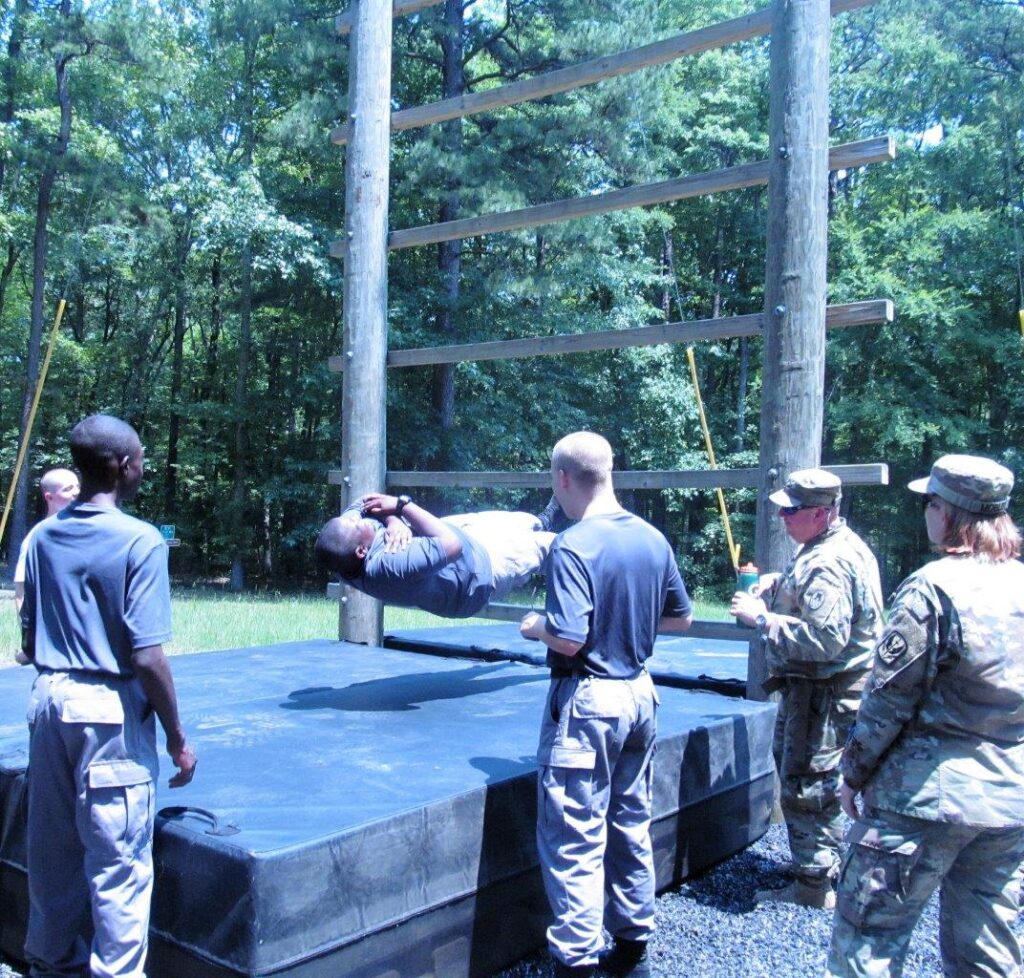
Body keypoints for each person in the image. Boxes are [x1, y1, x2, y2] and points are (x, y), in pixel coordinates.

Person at [826, 454, 1024, 978]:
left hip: (922, 799)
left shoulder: (933, 588)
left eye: (930, 503)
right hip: (1007, 802)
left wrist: (853, 771)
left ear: (950, 512)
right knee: (988, 950)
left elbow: (888, 699)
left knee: (868, 943)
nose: (926, 514)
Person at [20, 414, 197, 978]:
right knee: (118, 865)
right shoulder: (140, 541)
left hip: (47, 701)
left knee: (51, 854)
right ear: (123, 467)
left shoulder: (43, 536)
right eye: (141, 457)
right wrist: (176, 737)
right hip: (106, 712)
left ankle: (49, 965)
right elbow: (147, 655)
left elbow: (28, 632)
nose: (144, 465)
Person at [519, 432, 693, 978]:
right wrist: (632, 622)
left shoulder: (572, 545)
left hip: (590, 699)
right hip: (641, 694)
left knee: (575, 834)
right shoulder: (652, 539)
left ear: (563, 479)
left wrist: (534, 627)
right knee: (629, 820)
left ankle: (574, 961)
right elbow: (681, 618)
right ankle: (633, 945)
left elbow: (568, 637)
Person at [730, 468, 883, 909]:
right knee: (818, 779)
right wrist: (781, 583)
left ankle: (813, 887)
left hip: (824, 694)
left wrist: (761, 618)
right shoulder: (832, 546)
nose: (781, 516)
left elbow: (824, 639)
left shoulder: (827, 561)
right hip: (830, 692)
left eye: (790, 510)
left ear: (819, 513)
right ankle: (821, 866)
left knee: (806, 783)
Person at [316, 493, 561, 618]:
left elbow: (364, 502)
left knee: (516, 522)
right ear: (362, 552)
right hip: (475, 573)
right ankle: (588, 547)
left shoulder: (344, 548)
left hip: (454, 540)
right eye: (359, 526)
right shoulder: (388, 566)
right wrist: (402, 507)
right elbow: (453, 545)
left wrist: (393, 521)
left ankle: (542, 521)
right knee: (549, 548)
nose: (359, 520)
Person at [13, 466, 80, 611]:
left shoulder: (86, 530)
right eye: (68, 489)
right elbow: (21, 592)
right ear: (49, 497)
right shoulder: (38, 537)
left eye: (77, 486)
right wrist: (28, 631)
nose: (76, 492)